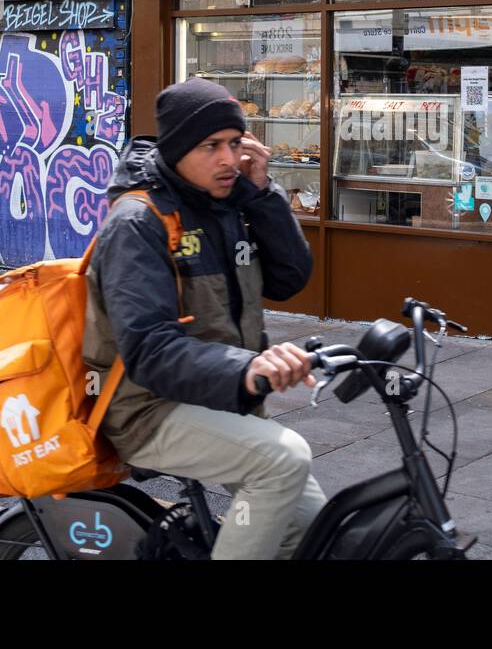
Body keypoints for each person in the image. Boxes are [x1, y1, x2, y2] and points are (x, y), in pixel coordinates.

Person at [83, 77, 322, 560]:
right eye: (211, 146)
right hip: (147, 410)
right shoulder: (138, 223)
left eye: (235, 143)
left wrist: (262, 193)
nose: (229, 159)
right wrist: (245, 368)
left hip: (217, 399)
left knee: (313, 529)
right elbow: (150, 349)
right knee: (283, 460)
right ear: (176, 151)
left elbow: (289, 277)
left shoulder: (227, 203)